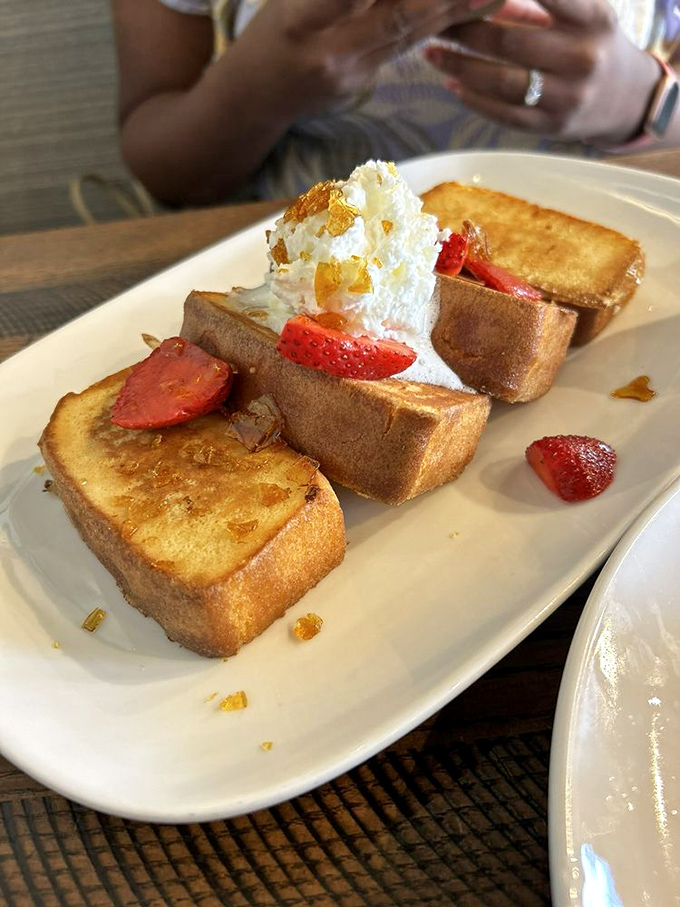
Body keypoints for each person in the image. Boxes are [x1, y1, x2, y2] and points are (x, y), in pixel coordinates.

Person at [111, 0, 680, 206]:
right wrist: (255, 90)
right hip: (302, 274)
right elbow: (168, 171)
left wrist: (648, 101)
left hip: (614, 237)